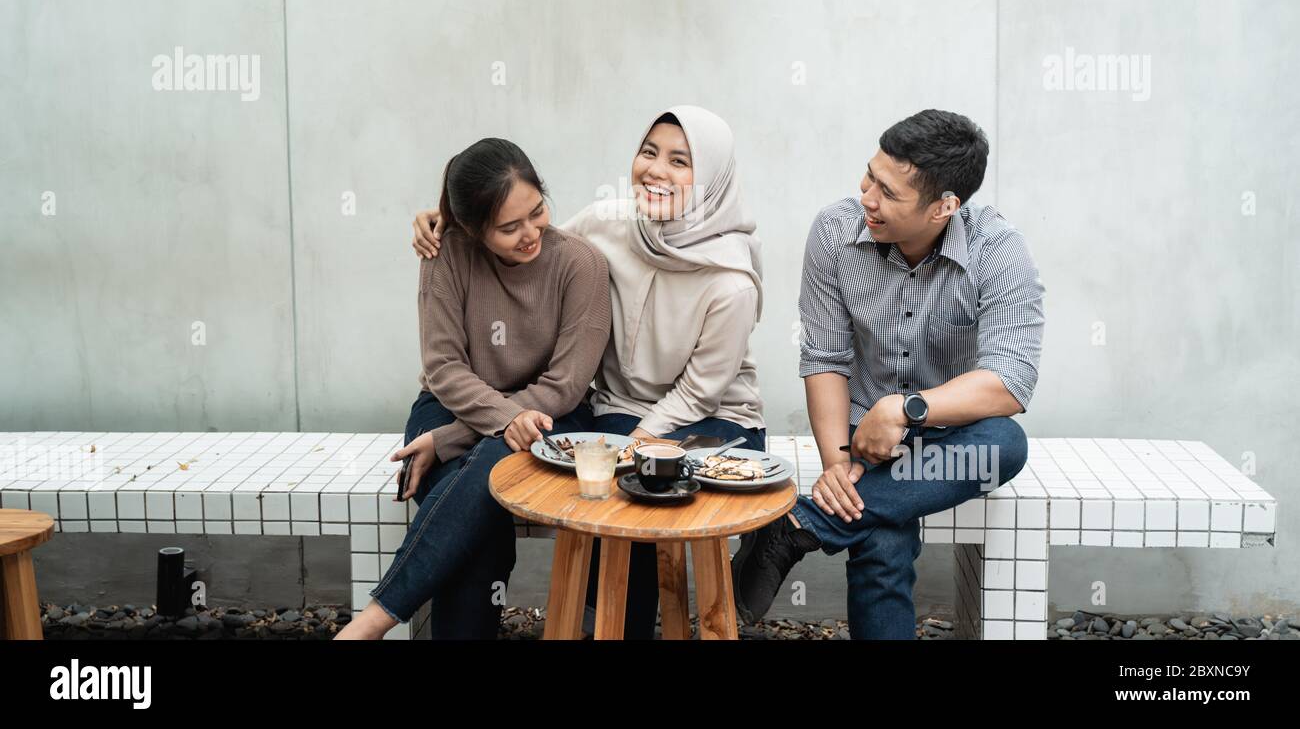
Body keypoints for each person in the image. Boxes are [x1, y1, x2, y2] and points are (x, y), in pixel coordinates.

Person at [411, 105, 765, 638]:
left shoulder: (731, 280)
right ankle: (603, 625)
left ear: (712, 178)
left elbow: (697, 393)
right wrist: (444, 220)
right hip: (618, 413)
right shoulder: (609, 223)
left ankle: (621, 629)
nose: (656, 170)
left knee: (635, 496)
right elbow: (533, 244)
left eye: (679, 160)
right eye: (648, 152)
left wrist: (637, 444)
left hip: (707, 420)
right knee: (599, 492)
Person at [730, 109, 1045, 639]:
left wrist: (904, 407)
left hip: (950, 438)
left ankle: (796, 528)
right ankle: (810, 522)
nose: (867, 197)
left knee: (1004, 444)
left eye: (889, 192)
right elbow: (825, 358)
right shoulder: (835, 231)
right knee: (883, 536)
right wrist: (836, 465)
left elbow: (1010, 380)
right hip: (866, 446)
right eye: (869, 175)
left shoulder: (997, 249)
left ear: (945, 207)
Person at [334, 137, 611, 639]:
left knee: (490, 466)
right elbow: (443, 367)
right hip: (449, 404)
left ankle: (371, 622)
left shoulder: (581, 265)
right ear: (472, 228)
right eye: (509, 228)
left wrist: (451, 440)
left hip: (552, 414)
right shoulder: (445, 252)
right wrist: (487, 422)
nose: (531, 234)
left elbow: (566, 385)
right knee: (481, 534)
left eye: (538, 211)